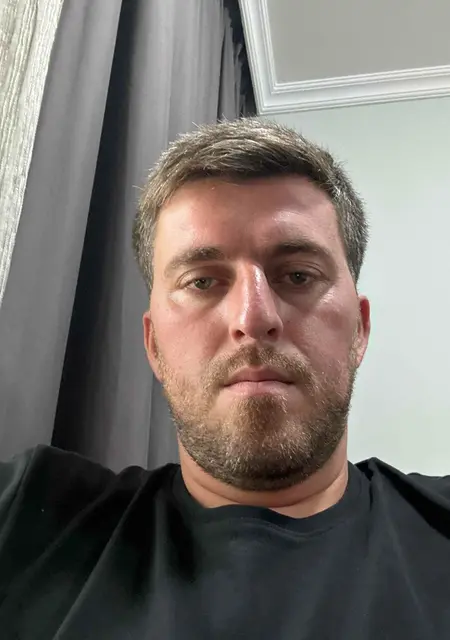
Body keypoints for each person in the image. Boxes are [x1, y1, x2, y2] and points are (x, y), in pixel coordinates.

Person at [0, 118, 449, 640]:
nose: (253, 317)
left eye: (298, 275)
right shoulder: (26, 517)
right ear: (153, 345)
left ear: (359, 331)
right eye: (202, 281)